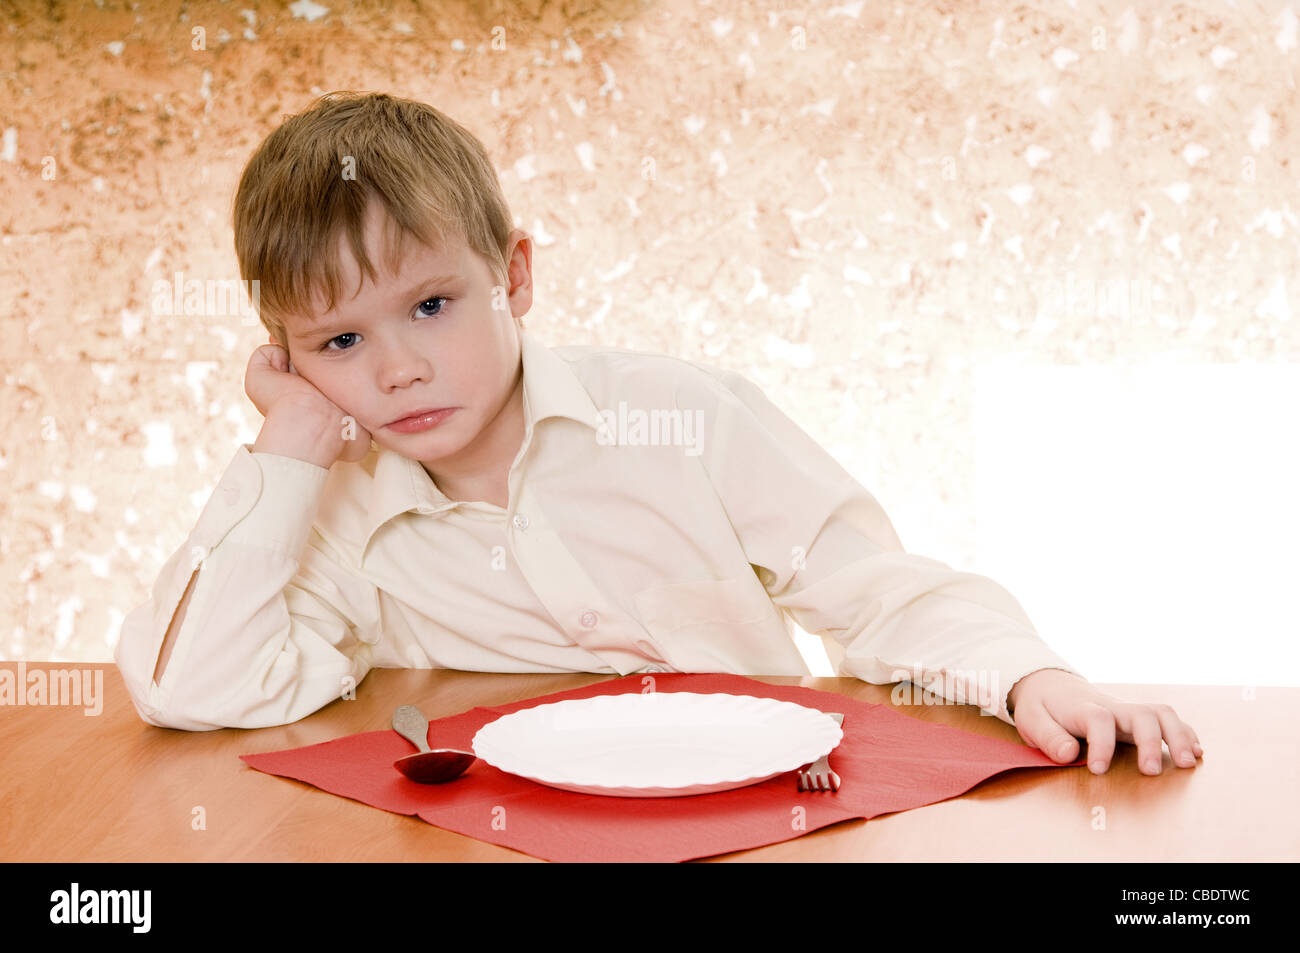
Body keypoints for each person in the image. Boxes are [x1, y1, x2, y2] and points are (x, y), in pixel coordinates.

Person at [115, 91, 1202, 778]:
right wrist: (290, 447)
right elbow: (195, 689)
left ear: (515, 277)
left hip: (755, 813)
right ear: (287, 355)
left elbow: (873, 588)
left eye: (433, 306)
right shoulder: (337, 502)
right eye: (339, 340)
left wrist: (1025, 676)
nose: (396, 367)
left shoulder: (679, 416)